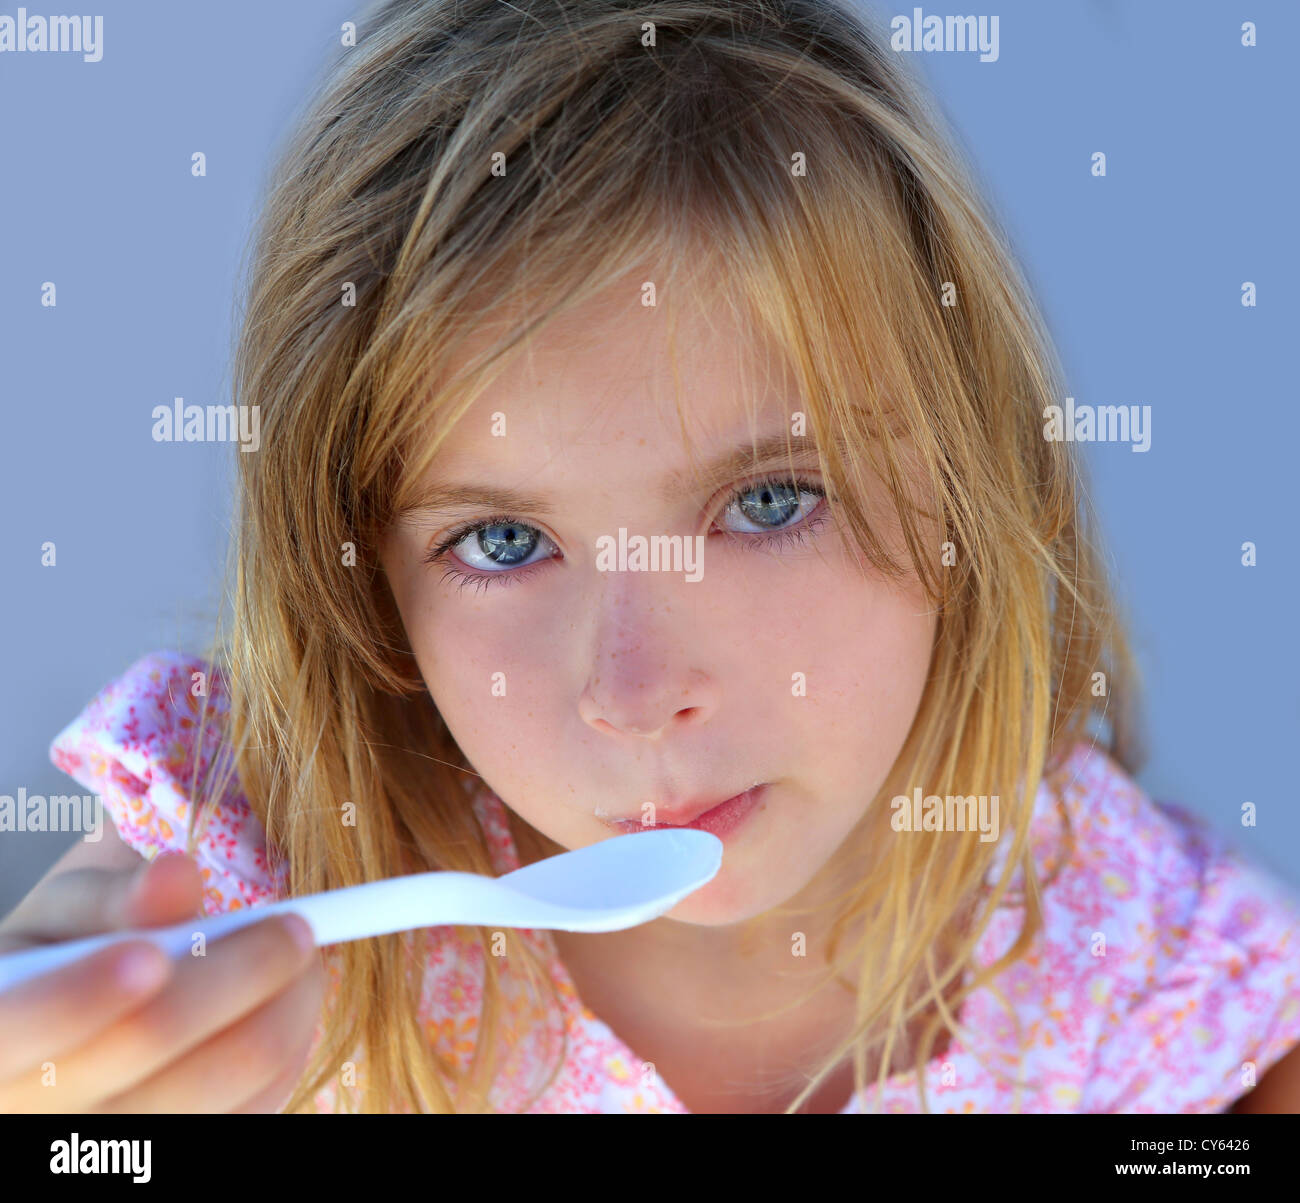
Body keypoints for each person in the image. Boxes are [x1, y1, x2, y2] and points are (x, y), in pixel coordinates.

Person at [3, 0, 1298, 1113]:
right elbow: (99, 957)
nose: (636, 694)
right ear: (364, 589)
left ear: (972, 483)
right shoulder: (278, 848)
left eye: (773, 502)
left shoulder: (1129, 949)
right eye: (503, 542)